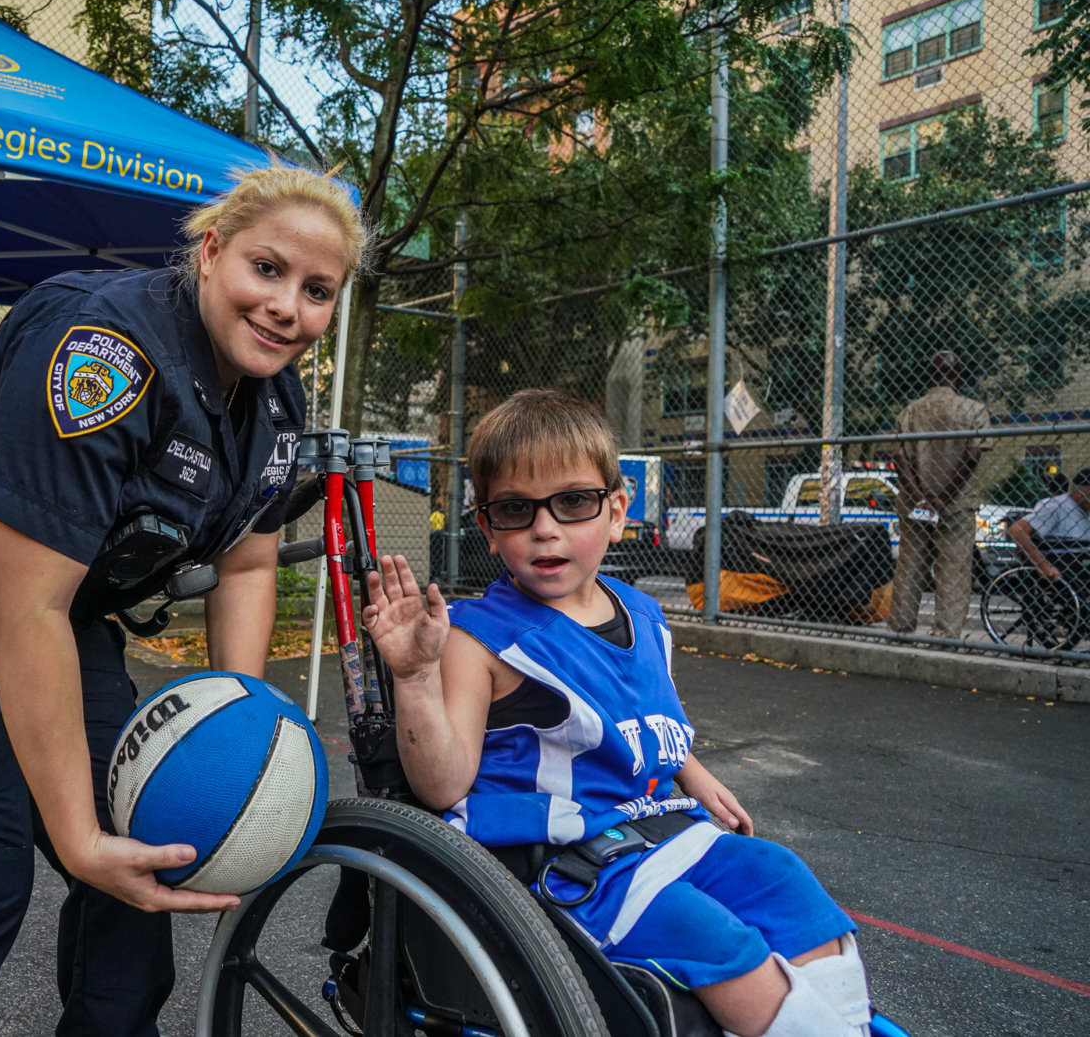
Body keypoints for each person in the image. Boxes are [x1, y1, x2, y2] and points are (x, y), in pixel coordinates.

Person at [0, 160, 368, 1037]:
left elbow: (248, 567)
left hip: (60, 619)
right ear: (211, 252)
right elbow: (21, 609)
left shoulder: (277, 404)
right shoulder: (104, 343)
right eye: (268, 268)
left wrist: (232, 731)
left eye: (318, 289)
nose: (289, 305)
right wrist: (78, 838)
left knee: (151, 857)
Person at [363, 391, 872, 1037]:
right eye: (516, 510)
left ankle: (841, 1024)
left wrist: (690, 767)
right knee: (710, 935)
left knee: (782, 875)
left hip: (655, 827)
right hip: (569, 862)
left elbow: (633, 713)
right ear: (487, 528)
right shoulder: (478, 639)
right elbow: (442, 785)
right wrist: (413, 676)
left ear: (616, 510)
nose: (545, 527)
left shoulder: (641, 612)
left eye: (573, 501)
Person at [887, 351, 992, 639]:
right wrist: (943, 496)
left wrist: (921, 496)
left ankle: (900, 628)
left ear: (929, 377)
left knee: (910, 566)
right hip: (956, 506)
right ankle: (945, 633)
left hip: (915, 505)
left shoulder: (910, 411)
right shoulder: (974, 410)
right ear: (957, 375)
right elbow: (972, 456)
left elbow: (900, 459)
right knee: (954, 570)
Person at [1008, 467, 1090, 581]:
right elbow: (1017, 530)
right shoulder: (1057, 506)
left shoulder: (1085, 511)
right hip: (1066, 566)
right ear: (1081, 494)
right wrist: (1042, 566)